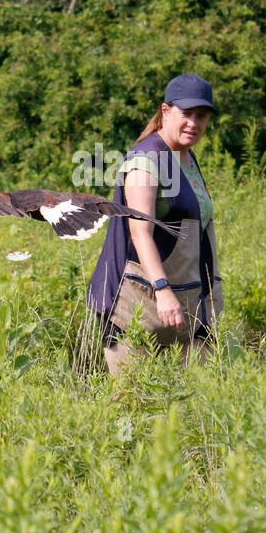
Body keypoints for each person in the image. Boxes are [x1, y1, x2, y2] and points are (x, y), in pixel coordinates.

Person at [87, 74, 223, 374]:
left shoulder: (185, 157)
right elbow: (140, 232)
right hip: (137, 307)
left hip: (185, 302)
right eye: (186, 114)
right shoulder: (145, 161)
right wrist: (162, 291)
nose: (194, 123)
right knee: (133, 405)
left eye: (202, 116)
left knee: (191, 403)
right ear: (165, 111)